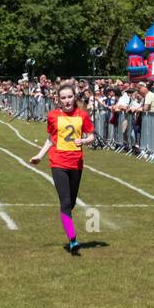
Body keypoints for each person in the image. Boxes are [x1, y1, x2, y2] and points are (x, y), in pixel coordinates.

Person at [28, 81, 96, 254]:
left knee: (71, 202)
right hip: (58, 162)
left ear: (74, 97)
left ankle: (68, 224)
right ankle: (73, 239)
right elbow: (51, 138)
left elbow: (92, 136)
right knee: (65, 203)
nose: (67, 101)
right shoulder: (53, 116)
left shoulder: (82, 115)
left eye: (70, 97)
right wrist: (39, 156)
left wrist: (84, 140)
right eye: (63, 98)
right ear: (58, 99)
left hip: (77, 163)